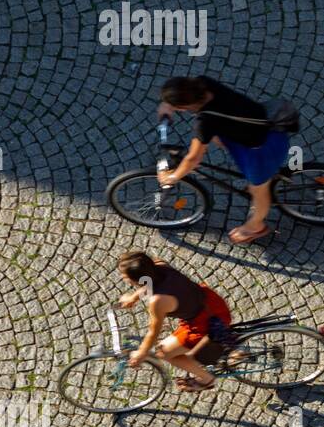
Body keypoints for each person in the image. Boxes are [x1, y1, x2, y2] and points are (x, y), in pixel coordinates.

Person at [156, 76, 290, 243]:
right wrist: (169, 104)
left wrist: (172, 177)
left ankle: (256, 226)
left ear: (182, 108)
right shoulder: (204, 82)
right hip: (259, 125)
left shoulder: (205, 122)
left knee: (259, 190)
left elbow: (193, 159)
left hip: (264, 148)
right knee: (218, 138)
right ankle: (263, 178)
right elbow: (187, 93)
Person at [117, 251, 232, 393]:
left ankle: (206, 378)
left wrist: (141, 353)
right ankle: (232, 351)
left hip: (204, 323)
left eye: (125, 276)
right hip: (211, 303)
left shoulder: (158, 301)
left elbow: (153, 332)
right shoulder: (160, 265)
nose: (123, 277)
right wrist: (134, 297)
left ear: (136, 279)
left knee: (163, 353)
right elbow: (149, 282)